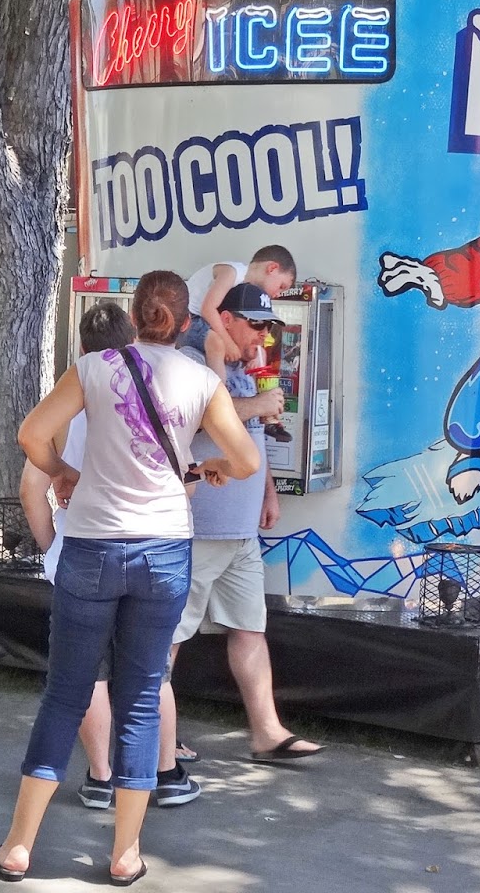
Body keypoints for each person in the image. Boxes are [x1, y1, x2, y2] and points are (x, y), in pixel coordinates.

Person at [0, 271, 259, 885]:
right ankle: (125, 854)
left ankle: (18, 847)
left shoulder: (93, 368)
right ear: (187, 323)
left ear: (134, 317)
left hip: (91, 546)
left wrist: (63, 472)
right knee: (140, 697)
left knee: (66, 693)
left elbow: (30, 434)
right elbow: (245, 460)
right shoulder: (203, 380)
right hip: (163, 551)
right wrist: (211, 465)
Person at [18, 303, 193, 812]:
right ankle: (163, 775)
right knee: (148, 678)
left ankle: (100, 777)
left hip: (83, 550)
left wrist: (52, 545)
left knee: (82, 677)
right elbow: (187, 481)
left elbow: (31, 486)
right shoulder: (161, 395)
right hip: (152, 549)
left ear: (81, 349)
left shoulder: (69, 401)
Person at [172, 283, 323, 763]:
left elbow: (250, 440)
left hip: (239, 531)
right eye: (255, 324)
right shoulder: (190, 361)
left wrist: (268, 491)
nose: (263, 336)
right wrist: (258, 405)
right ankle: (154, 738)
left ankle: (267, 733)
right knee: (168, 637)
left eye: (268, 326)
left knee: (249, 628)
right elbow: (198, 419)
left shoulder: (239, 369)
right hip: (198, 530)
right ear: (226, 320)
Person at [180, 246, 296, 378]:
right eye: (281, 287)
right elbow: (208, 309)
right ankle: (219, 388)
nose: (278, 294)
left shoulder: (245, 286)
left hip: (201, 319)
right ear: (272, 268)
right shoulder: (232, 272)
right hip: (187, 318)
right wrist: (228, 343)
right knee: (216, 344)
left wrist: (257, 353)